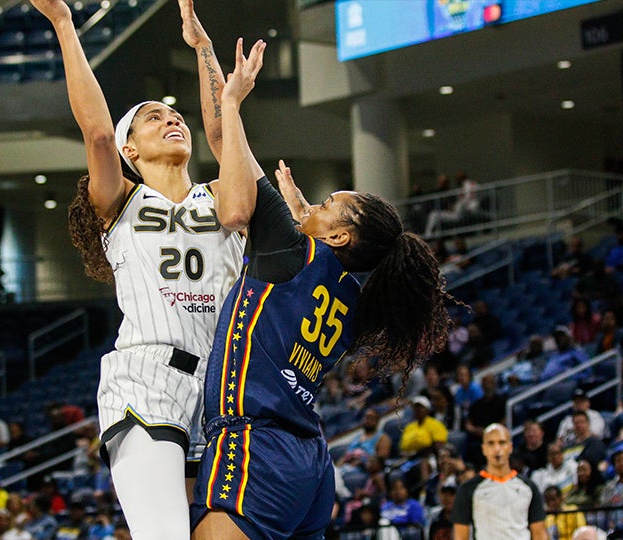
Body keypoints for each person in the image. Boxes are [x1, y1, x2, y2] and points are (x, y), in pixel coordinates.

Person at [190, 38, 457, 539]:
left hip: (257, 445)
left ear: (340, 235)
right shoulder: (353, 299)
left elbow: (224, 142)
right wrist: (304, 218)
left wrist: (230, 94)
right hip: (309, 465)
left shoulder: (292, 251)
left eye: (330, 201)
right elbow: (307, 272)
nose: (317, 201)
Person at [28, 1, 247, 537]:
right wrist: (63, 23)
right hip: (147, 379)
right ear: (131, 149)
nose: (173, 119)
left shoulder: (221, 197)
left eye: (176, 116)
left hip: (221, 387)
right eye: (155, 117)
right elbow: (97, 133)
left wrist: (203, 50)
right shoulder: (120, 201)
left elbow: (226, 138)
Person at [452, 423, 548, 540]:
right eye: (491, 443)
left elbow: (539, 533)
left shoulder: (528, 487)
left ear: (510, 447)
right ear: (484, 449)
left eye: (502, 443)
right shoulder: (468, 489)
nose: (497, 449)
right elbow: (461, 536)